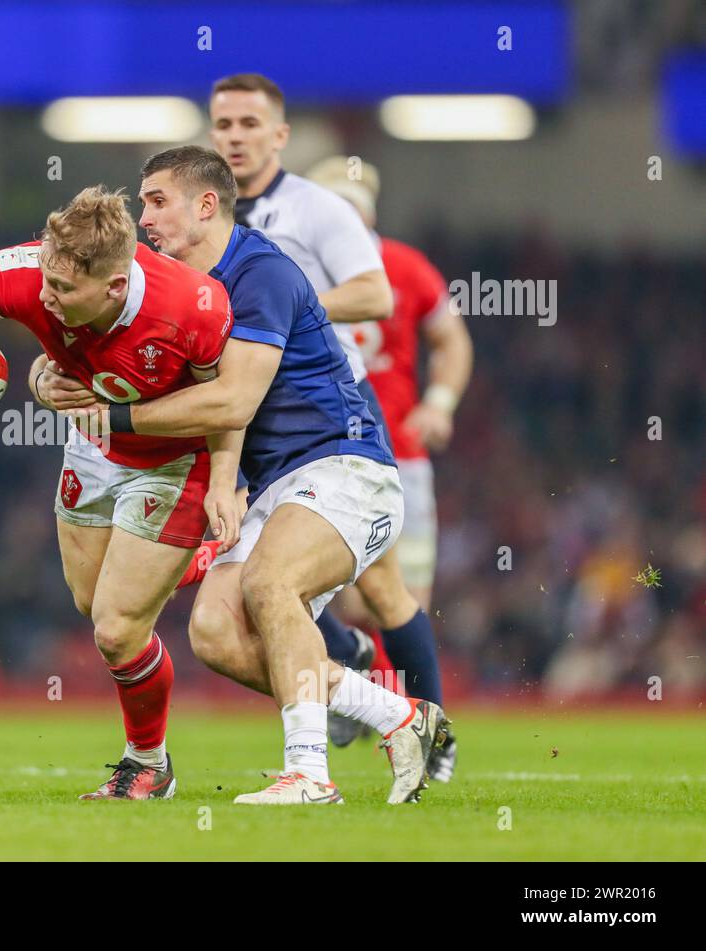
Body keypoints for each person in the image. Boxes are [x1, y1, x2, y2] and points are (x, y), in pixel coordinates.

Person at [53, 147, 449, 804]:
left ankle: (309, 776)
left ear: (206, 206)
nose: (142, 216)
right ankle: (399, 715)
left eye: (156, 200)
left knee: (272, 583)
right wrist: (53, 372)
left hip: (345, 463)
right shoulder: (173, 286)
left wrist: (112, 420)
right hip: (276, 485)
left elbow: (231, 402)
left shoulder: (259, 271)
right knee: (212, 629)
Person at [0, 186, 235, 800]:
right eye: (47, 278)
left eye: (64, 291)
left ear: (116, 287)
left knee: (117, 627)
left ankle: (148, 765)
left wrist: (228, 485)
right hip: (92, 447)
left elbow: (225, 406)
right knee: (89, 598)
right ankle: (203, 559)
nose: (45, 297)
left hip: (175, 460)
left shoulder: (193, 307)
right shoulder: (35, 269)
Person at [205, 72, 448, 743]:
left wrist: (285, 310)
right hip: (245, 414)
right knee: (245, 571)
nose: (235, 137)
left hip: (322, 410)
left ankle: (426, 724)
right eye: (223, 125)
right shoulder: (206, 219)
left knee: (373, 587)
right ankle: (354, 667)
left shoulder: (315, 209)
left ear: (280, 135)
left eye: (250, 124)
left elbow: (376, 293)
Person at [305, 155, 473, 779]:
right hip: (323, 456)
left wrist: (440, 401)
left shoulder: (402, 268)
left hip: (399, 456)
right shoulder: (296, 269)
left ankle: (423, 728)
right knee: (328, 600)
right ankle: (358, 684)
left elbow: (452, 337)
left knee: (400, 599)